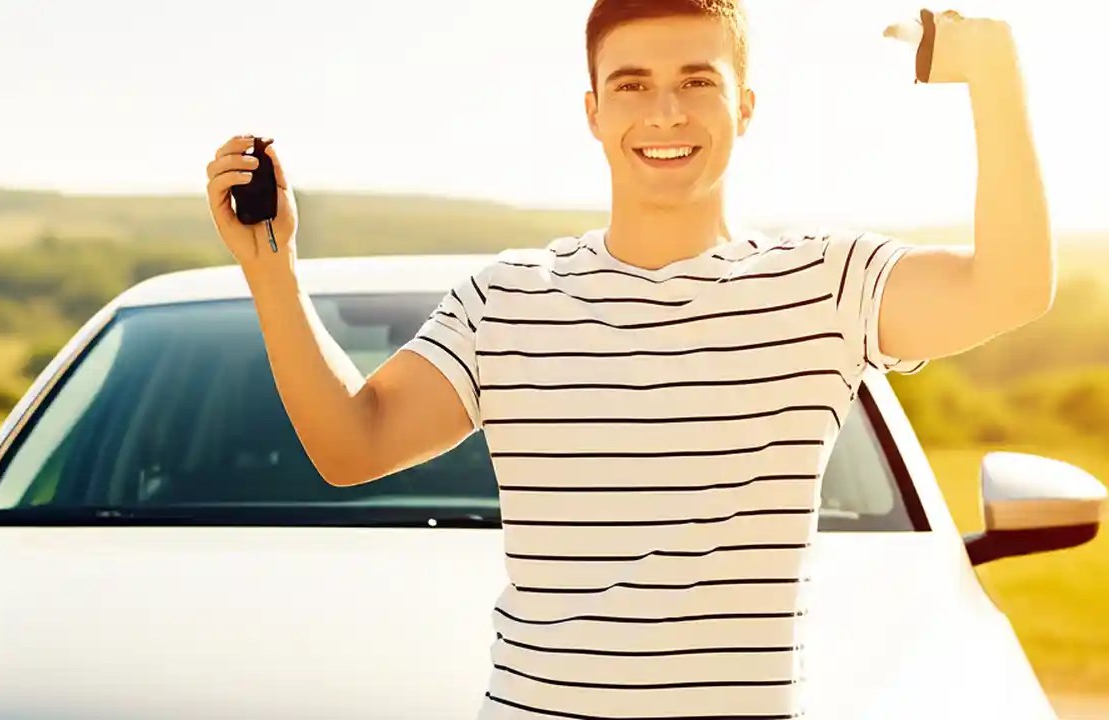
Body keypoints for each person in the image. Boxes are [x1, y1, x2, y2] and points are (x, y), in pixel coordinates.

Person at [204, 2, 1053, 717]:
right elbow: (351, 445)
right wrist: (270, 267)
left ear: (746, 106)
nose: (666, 114)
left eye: (696, 82)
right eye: (633, 86)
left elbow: (1010, 288)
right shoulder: (507, 296)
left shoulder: (825, 285)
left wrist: (996, 70)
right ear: (593, 113)